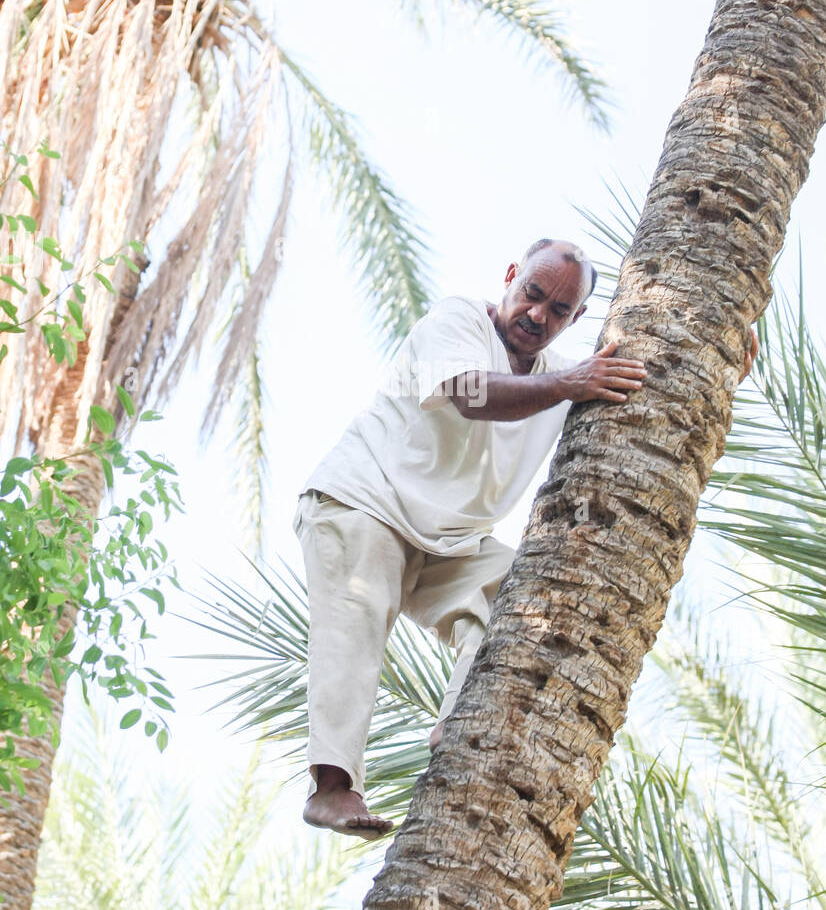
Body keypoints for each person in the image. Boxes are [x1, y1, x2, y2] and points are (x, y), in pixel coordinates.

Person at [293, 238, 757, 840]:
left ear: (576, 318)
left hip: (448, 543)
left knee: (520, 601)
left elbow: (635, 407)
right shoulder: (461, 320)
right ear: (510, 278)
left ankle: (456, 725)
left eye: (558, 311)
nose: (539, 316)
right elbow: (469, 394)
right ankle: (332, 788)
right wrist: (570, 383)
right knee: (355, 625)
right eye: (532, 295)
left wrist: (715, 370)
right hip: (364, 503)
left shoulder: (558, 382)